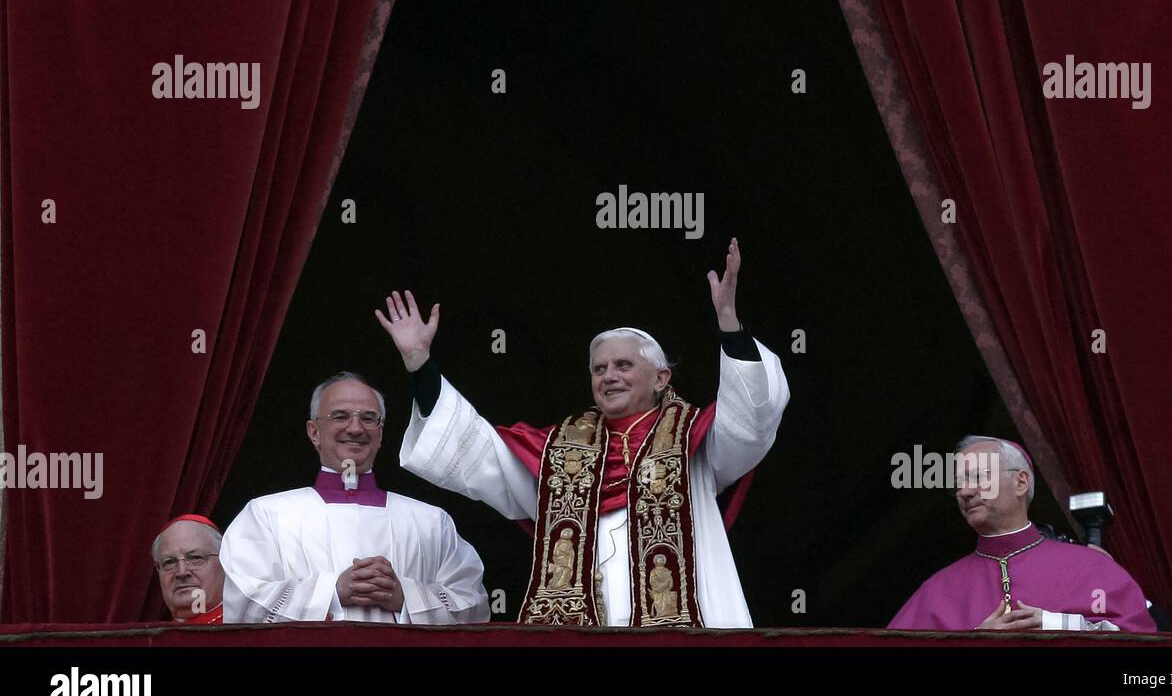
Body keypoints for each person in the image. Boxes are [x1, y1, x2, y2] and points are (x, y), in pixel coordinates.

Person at [377, 238, 790, 628]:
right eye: (599, 369)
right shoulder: (559, 453)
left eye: (623, 366)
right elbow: (474, 450)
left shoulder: (694, 442)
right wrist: (420, 363)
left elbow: (750, 422)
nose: (609, 376)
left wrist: (730, 327)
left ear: (662, 377)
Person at [219, 372, 490, 624]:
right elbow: (242, 605)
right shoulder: (266, 515)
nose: (356, 428)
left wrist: (407, 597)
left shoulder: (430, 521)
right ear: (314, 432)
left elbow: (473, 607)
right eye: (340, 416)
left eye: (369, 418)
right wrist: (332, 592)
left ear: (381, 433)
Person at [888, 436, 1157, 632]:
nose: (965, 492)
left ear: (1020, 482)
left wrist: (1056, 624)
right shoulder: (939, 590)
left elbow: (1138, 637)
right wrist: (974, 642)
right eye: (958, 484)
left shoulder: (1091, 567)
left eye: (979, 477)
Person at [153, 514, 225, 624]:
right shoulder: (149, 638)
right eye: (169, 562)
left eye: (196, 558)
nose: (182, 572)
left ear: (223, 562)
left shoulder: (249, 630)